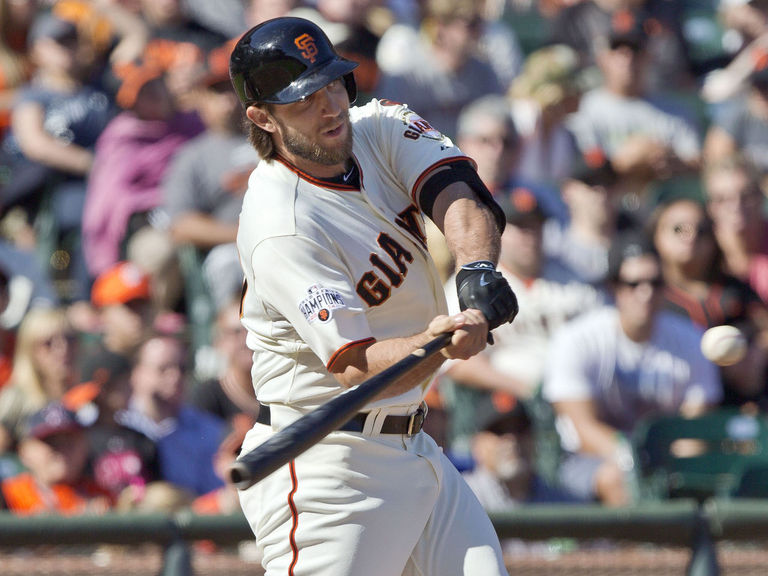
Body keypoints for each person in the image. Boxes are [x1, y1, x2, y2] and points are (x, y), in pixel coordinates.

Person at [230, 16, 518, 576]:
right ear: (262, 118)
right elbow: (356, 364)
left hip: (413, 445)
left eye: (331, 83)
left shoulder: (379, 125)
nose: (329, 105)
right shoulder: (279, 223)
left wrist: (476, 268)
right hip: (328, 469)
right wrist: (435, 344)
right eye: (304, 98)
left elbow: (456, 193)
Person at [542, 230, 723, 506]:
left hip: (667, 456)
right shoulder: (578, 339)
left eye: (655, 282)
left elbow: (693, 427)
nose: (645, 293)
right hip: (587, 459)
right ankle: (638, 549)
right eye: (633, 283)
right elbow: (582, 427)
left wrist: (664, 463)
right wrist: (633, 458)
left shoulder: (691, 340)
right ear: (614, 288)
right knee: (617, 477)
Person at [650, 194, 768, 408]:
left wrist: (757, 355)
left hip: (742, 403)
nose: (691, 236)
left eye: (701, 230)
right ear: (657, 236)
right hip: (677, 406)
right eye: (679, 229)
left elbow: (763, 326)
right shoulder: (648, 294)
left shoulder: (734, 289)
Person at [116, 333, 226, 497]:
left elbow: (217, 494)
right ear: (137, 373)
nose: (175, 376)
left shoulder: (209, 431)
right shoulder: (117, 426)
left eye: (182, 368)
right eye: (163, 368)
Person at [0, 401, 113, 515]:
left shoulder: (101, 496)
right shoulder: (9, 495)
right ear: (24, 451)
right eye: (51, 442)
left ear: (84, 446)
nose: (61, 450)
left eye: (69, 441)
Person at [0, 306, 80, 453]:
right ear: (30, 351)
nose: (63, 348)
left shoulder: (89, 393)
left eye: (69, 338)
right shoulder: (16, 398)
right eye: (48, 343)